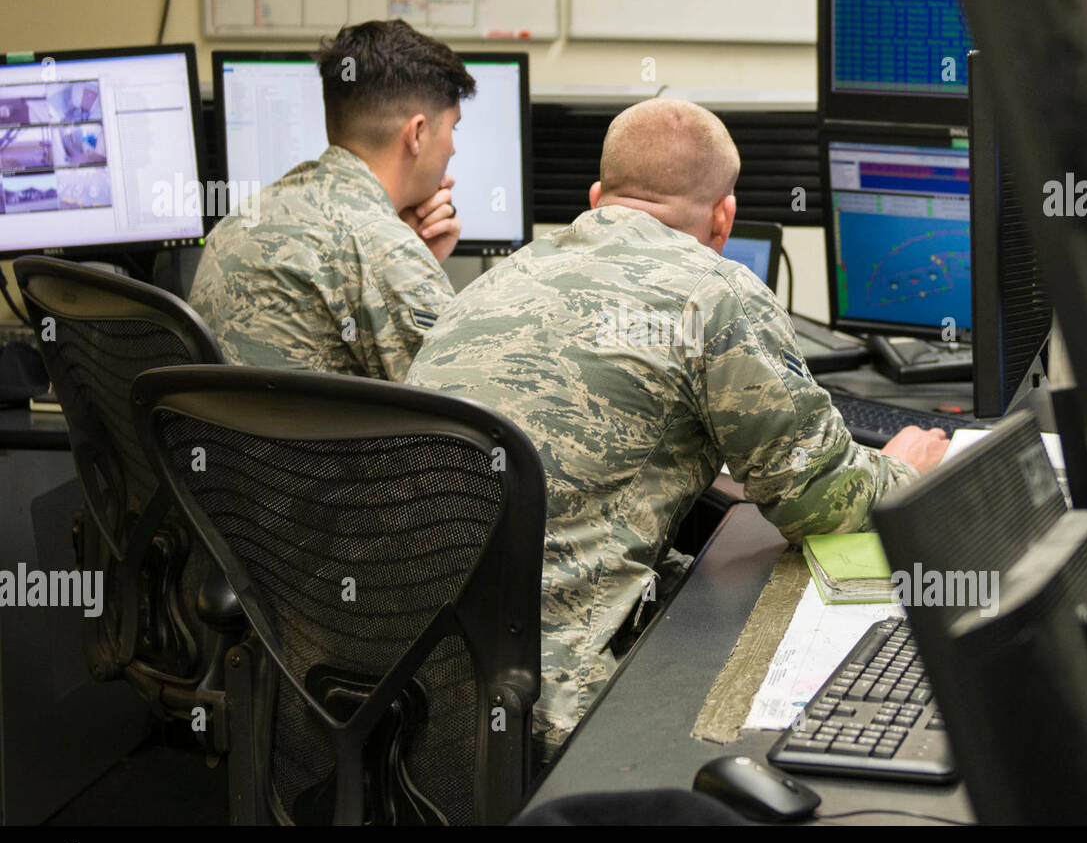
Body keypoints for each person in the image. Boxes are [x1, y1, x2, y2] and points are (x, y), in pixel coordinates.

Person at [403, 98, 950, 759]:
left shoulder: (494, 281)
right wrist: (907, 467)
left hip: (405, 674)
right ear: (725, 217)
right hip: (547, 701)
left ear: (599, 198)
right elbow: (818, 498)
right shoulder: (715, 291)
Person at [189, 19, 474, 379]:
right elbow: (468, 404)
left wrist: (418, 258)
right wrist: (405, 260)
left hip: (224, 435)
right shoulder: (381, 249)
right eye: (453, 127)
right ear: (417, 133)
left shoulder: (249, 213)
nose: (453, 147)